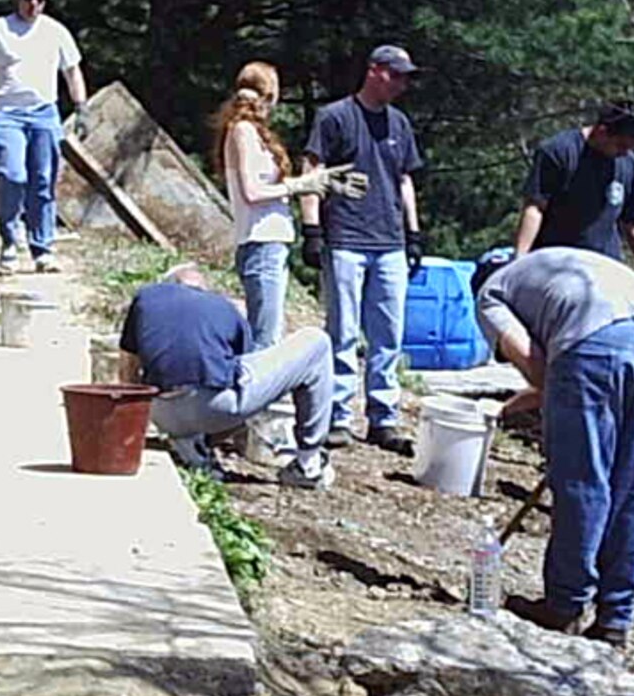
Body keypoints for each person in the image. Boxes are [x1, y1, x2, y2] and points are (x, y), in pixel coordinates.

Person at [472, 245, 634, 645]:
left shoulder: (490, 294)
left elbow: (536, 365)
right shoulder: (554, 265)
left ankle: (564, 606)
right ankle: (616, 618)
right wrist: (516, 405)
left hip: (591, 343)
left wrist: (522, 409)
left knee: (583, 482)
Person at [297, 45, 426, 455]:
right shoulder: (335, 117)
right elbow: (312, 172)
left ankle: (383, 418)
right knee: (343, 331)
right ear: (375, 71)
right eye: (397, 75)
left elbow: (405, 180)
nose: (402, 84)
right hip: (346, 238)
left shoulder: (399, 124)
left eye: (406, 77)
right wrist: (313, 229)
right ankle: (336, 415)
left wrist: (414, 232)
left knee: (388, 334)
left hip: (389, 242)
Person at [118, 264, 336, 489]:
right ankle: (308, 465)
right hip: (214, 407)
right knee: (317, 341)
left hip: (161, 413)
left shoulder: (146, 298)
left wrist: (131, 427)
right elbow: (242, 369)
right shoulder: (223, 307)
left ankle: (192, 444)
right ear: (202, 287)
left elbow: (128, 367)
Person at [210, 63, 343, 351]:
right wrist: (298, 186)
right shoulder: (242, 131)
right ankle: (256, 394)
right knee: (265, 339)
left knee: (268, 333)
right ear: (271, 93)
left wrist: (321, 182)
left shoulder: (250, 131)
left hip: (270, 242)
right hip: (261, 241)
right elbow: (252, 192)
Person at [0, 0, 86, 274]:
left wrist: (82, 107)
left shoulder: (56, 32)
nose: (33, 4)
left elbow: (72, 71)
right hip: (7, 114)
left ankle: (42, 249)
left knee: (43, 180)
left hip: (44, 113)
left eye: (40, 0)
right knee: (12, 175)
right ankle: (9, 242)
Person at [515, 101, 634, 282]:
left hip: (605, 267)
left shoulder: (629, 164)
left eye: (630, 147)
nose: (624, 152)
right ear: (601, 131)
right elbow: (535, 208)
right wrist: (519, 262)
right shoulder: (558, 152)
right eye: (620, 145)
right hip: (556, 265)